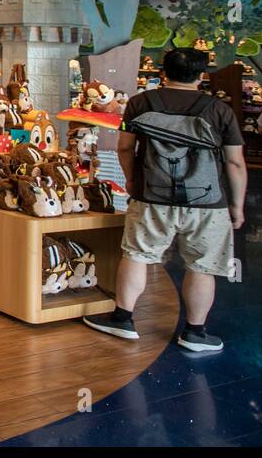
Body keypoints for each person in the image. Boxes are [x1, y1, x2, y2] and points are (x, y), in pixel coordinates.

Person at [84, 47, 246, 353]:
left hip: (151, 197)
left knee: (137, 255)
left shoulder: (140, 103)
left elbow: (124, 148)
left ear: (162, 72)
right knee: (202, 266)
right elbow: (234, 163)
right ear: (202, 76)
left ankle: (122, 318)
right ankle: (195, 333)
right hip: (207, 203)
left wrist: (131, 180)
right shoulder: (218, 109)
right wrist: (236, 205)